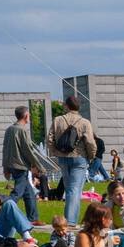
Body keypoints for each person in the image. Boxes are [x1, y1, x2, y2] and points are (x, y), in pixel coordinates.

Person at [50, 95, 96, 225]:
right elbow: (91, 143)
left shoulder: (58, 120)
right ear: (79, 106)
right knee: (74, 190)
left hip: (63, 158)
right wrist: (91, 156)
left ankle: (69, 219)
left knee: (70, 188)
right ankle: (70, 221)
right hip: (80, 157)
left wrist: (56, 152)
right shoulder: (85, 122)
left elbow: (49, 139)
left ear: (66, 106)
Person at [2, 105, 42, 222]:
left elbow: (5, 149)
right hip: (20, 166)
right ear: (26, 116)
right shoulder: (22, 130)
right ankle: (3, 211)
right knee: (17, 193)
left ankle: (33, 218)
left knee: (29, 192)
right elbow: (28, 150)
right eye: (29, 114)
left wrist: (5, 166)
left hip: (12, 165)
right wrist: (36, 165)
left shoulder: (9, 129)